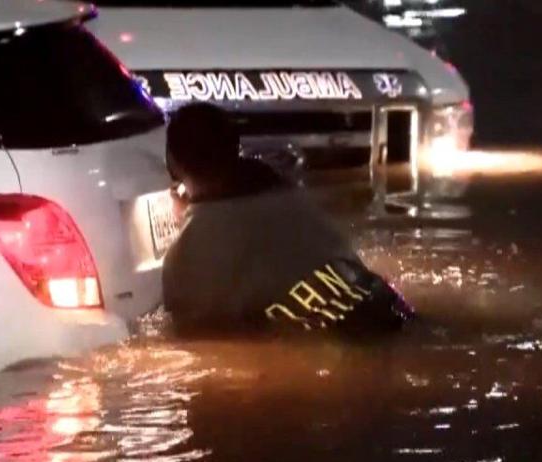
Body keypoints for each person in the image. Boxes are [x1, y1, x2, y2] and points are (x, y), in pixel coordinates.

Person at [161, 102, 415, 338]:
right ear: (236, 147)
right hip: (391, 306)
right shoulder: (289, 197)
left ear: (173, 166)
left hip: (350, 343)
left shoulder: (186, 256)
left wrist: (193, 220)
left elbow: (193, 335)